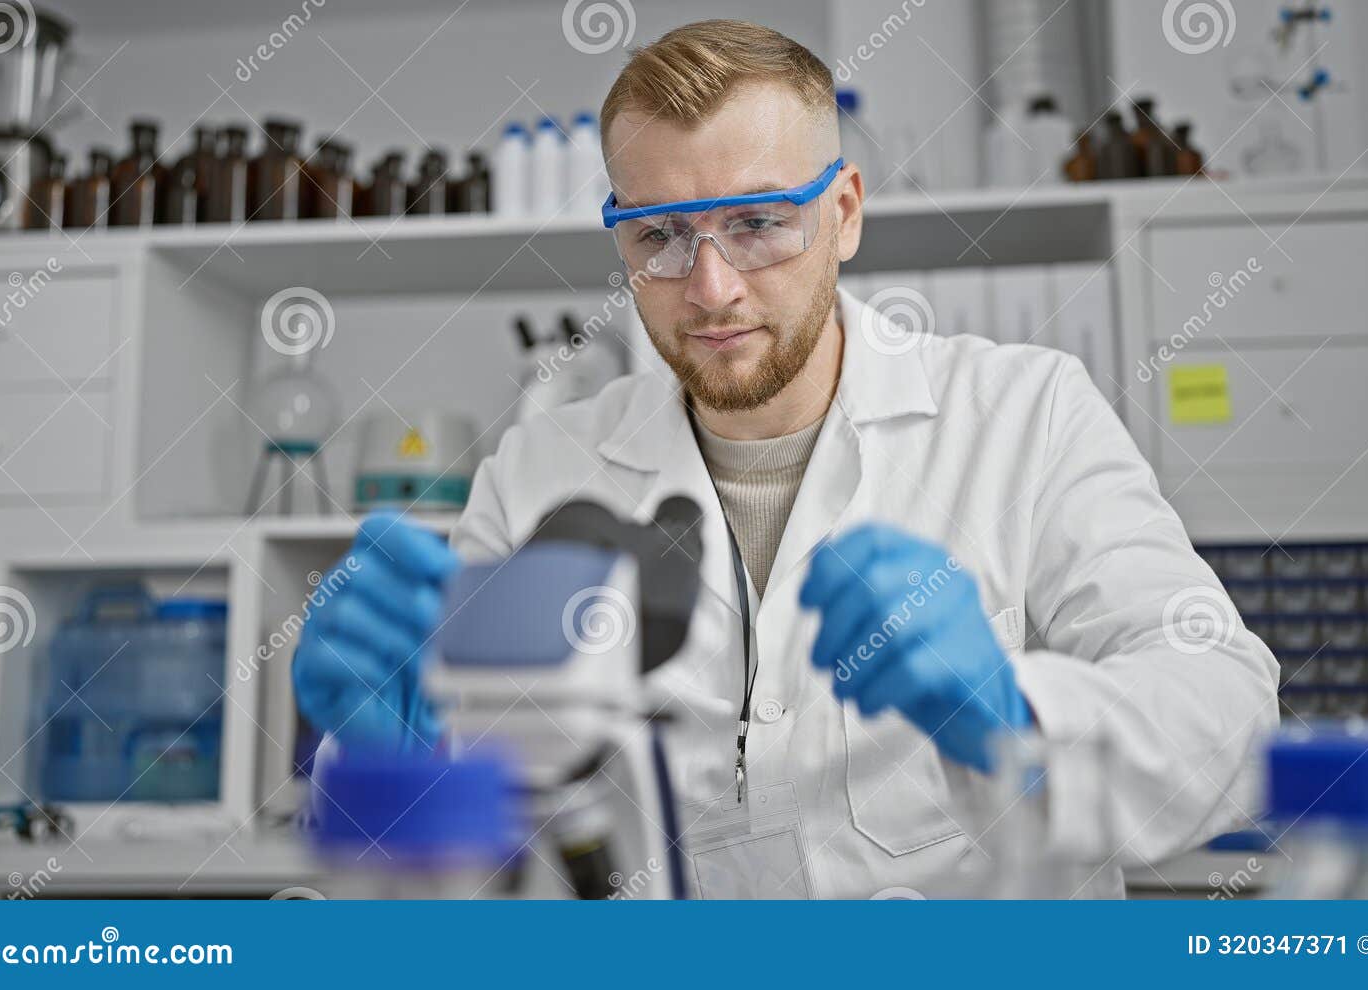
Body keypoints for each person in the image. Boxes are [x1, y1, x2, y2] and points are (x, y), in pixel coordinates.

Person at [292, 19, 1279, 898]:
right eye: (659, 236)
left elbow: (1227, 712)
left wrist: (1011, 712)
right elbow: (477, 850)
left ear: (842, 211)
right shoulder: (541, 471)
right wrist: (387, 762)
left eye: (759, 222)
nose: (709, 287)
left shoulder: (1024, 414)